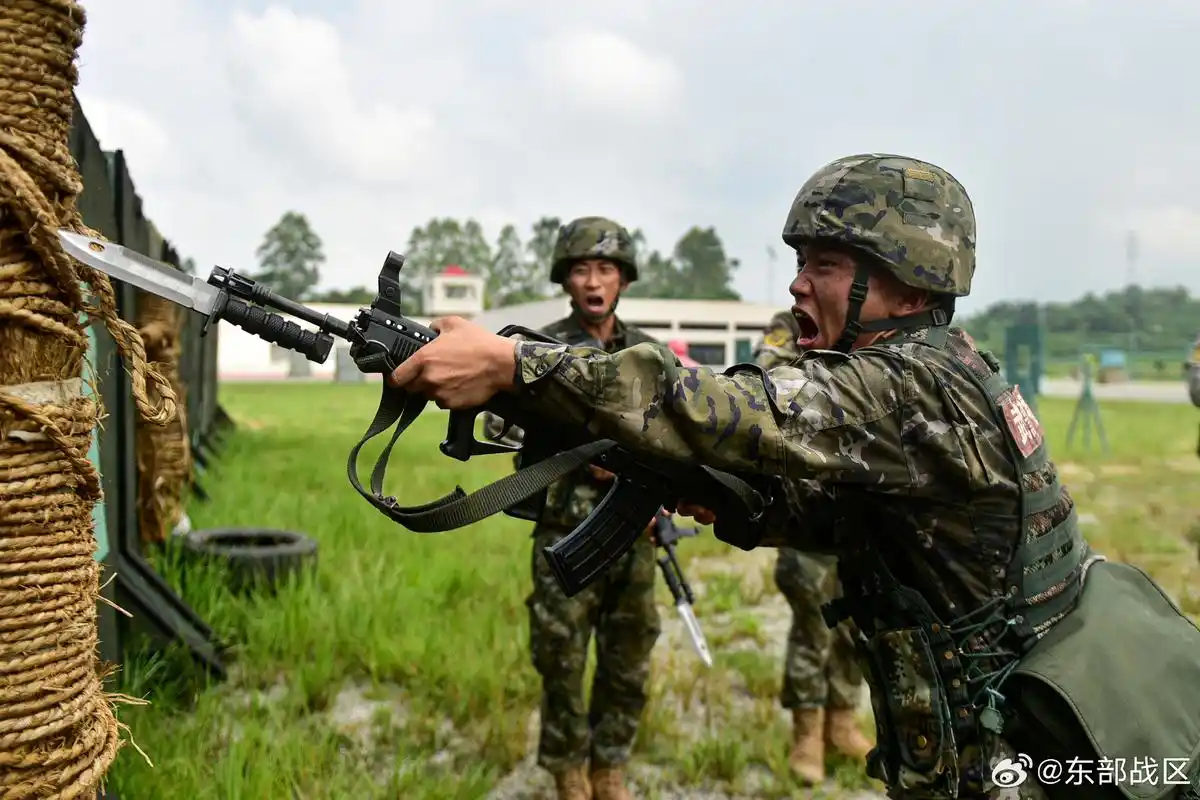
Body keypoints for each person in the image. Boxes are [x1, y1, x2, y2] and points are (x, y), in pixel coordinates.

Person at [390, 153, 1200, 799]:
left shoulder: (911, 384)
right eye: (800, 262)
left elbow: (727, 405)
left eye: (824, 264)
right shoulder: (938, 372)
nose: (796, 284)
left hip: (1000, 759)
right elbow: (850, 516)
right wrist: (719, 495)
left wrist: (513, 362)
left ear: (907, 277)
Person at [481, 216, 661, 800]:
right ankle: (567, 771)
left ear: (622, 280)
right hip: (563, 532)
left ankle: (610, 766)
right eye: (582, 269)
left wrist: (638, 469)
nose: (593, 280)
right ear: (566, 280)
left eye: (605, 269)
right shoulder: (532, 351)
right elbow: (496, 427)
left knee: (628, 657)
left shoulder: (646, 358)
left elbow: (673, 438)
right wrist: (578, 451)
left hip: (631, 530)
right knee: (560, 658)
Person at [753, 309, 873, 784]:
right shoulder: (791, 326)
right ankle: (806, 730)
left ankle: (841, 722)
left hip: (865, 508)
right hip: (810, 507)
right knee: (812, 624)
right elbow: (765, 383)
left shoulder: (876, 330)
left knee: (858, 627)